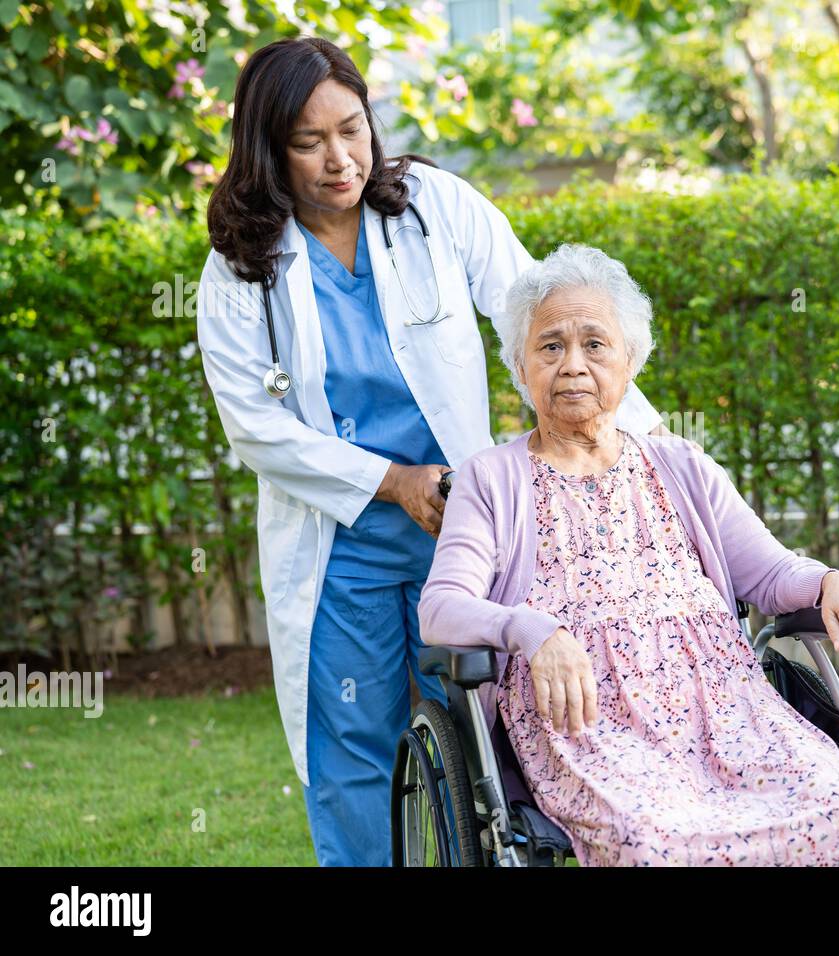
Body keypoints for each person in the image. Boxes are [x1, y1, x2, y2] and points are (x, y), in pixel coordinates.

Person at [195, 37, 668, 867]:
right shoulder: (241, 271)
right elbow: (255, 427)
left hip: (467, 528)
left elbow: (538, 315)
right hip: (340, 550)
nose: (341, 159)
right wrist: (391, 481)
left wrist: (648, 445)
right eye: (309, 143)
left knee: (490, 742)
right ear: (268, 150)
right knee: (356, 751)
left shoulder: (433, 208)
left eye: (352, 129)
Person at [419, 243, 839, 866]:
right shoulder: (490, 478)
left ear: (632, 362)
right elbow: (441, 608)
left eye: (594, 344)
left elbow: (767, 571)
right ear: (521, 368)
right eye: (550, 346)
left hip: (730, 714)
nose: (572, 364)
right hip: (588, 729)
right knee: (655, 836)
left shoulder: (683, 466)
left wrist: (832, 582)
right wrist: (529, 629)